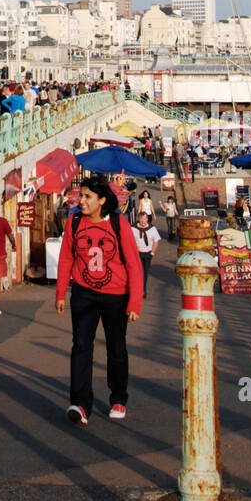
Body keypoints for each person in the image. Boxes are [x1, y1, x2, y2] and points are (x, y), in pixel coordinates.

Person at [55, 174, 142, 426]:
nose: (81, 201)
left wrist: (134, 303)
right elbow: (65, 259)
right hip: (83, 293)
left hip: (116, 295)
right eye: (81, 196)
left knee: (116, 347)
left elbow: (134, 265)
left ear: (102, 200)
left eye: (87, 197)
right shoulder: (73, 222)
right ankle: (80, 404)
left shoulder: (118, 224)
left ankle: (118, 397)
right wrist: (61, 293)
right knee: (81, 345)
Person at [131, 213, 160, 298]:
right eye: (141, 219)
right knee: (140, 272)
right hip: (138, 253)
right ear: (138, 219)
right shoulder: (133, 228)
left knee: (145, 272)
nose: (143, 221)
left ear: (147, 219)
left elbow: (156, 241)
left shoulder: (152, 229)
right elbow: (129, 240)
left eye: (144, 219)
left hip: (148, 253)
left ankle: (143, 288)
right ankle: (141, 291)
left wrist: (152, 253)